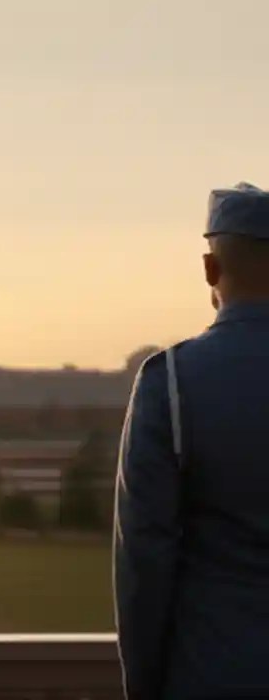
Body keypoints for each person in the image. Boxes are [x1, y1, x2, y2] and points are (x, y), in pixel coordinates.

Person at [115, 182, 269, 699]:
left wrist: (142, 684)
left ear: (210, 268)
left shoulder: (173, 381)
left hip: (211, 672)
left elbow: (144, 558)